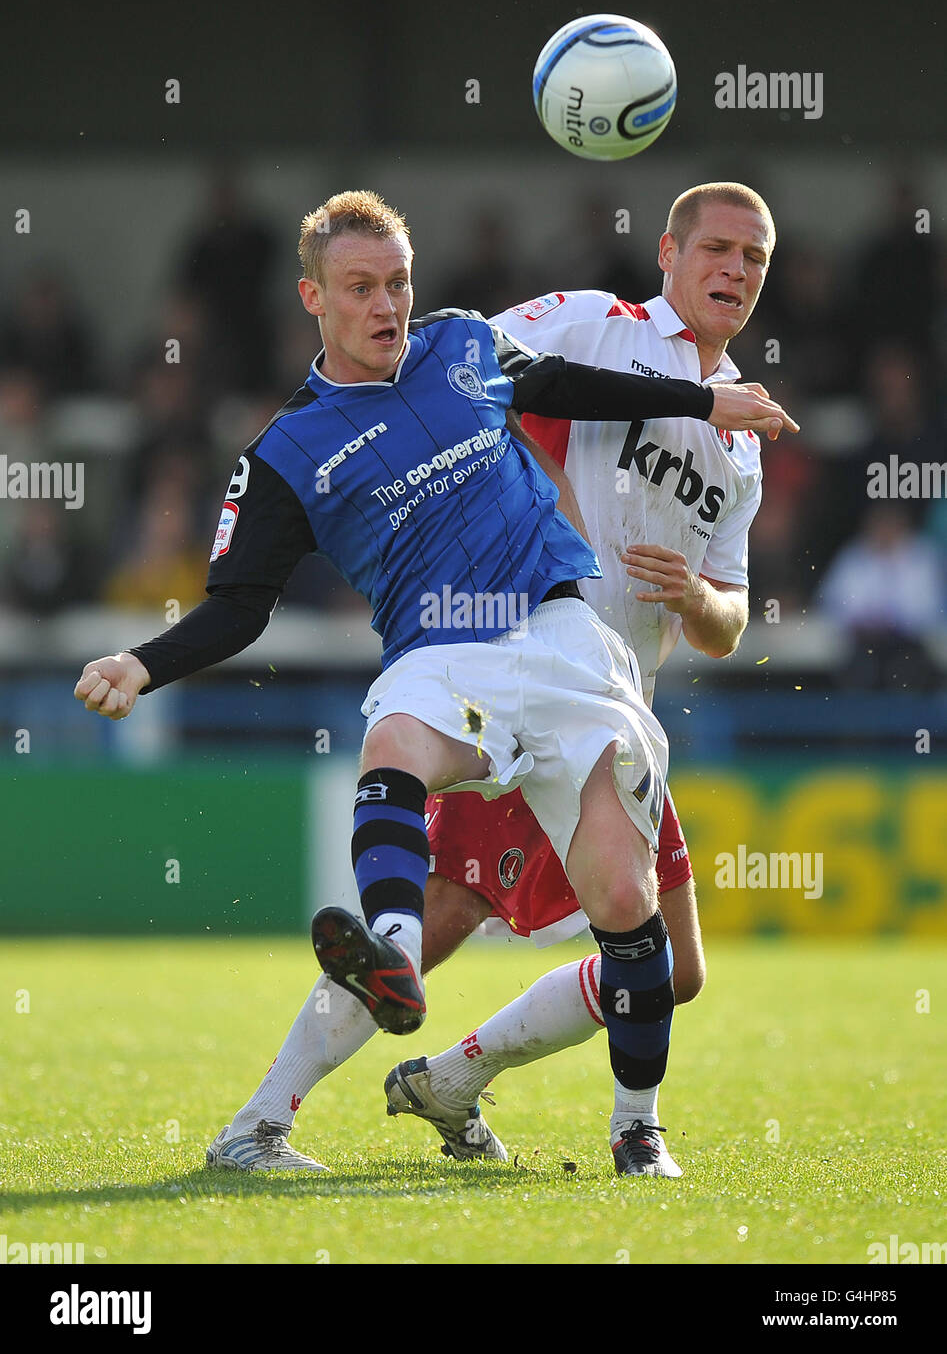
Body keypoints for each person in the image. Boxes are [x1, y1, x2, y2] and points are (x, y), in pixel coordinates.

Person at [75, 189, 795, 1178]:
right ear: (311, 298)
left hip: (565, 634)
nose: (387, 305)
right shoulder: (285, 452)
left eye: (398, 284)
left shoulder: (459, 345)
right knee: (395, 747)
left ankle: (634, 1135)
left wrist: (702, 400)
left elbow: (569, 387)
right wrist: (140, 664)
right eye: (361, 288)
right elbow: (240, 605)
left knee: (628, 905)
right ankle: (385, 978)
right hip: (444, 648)